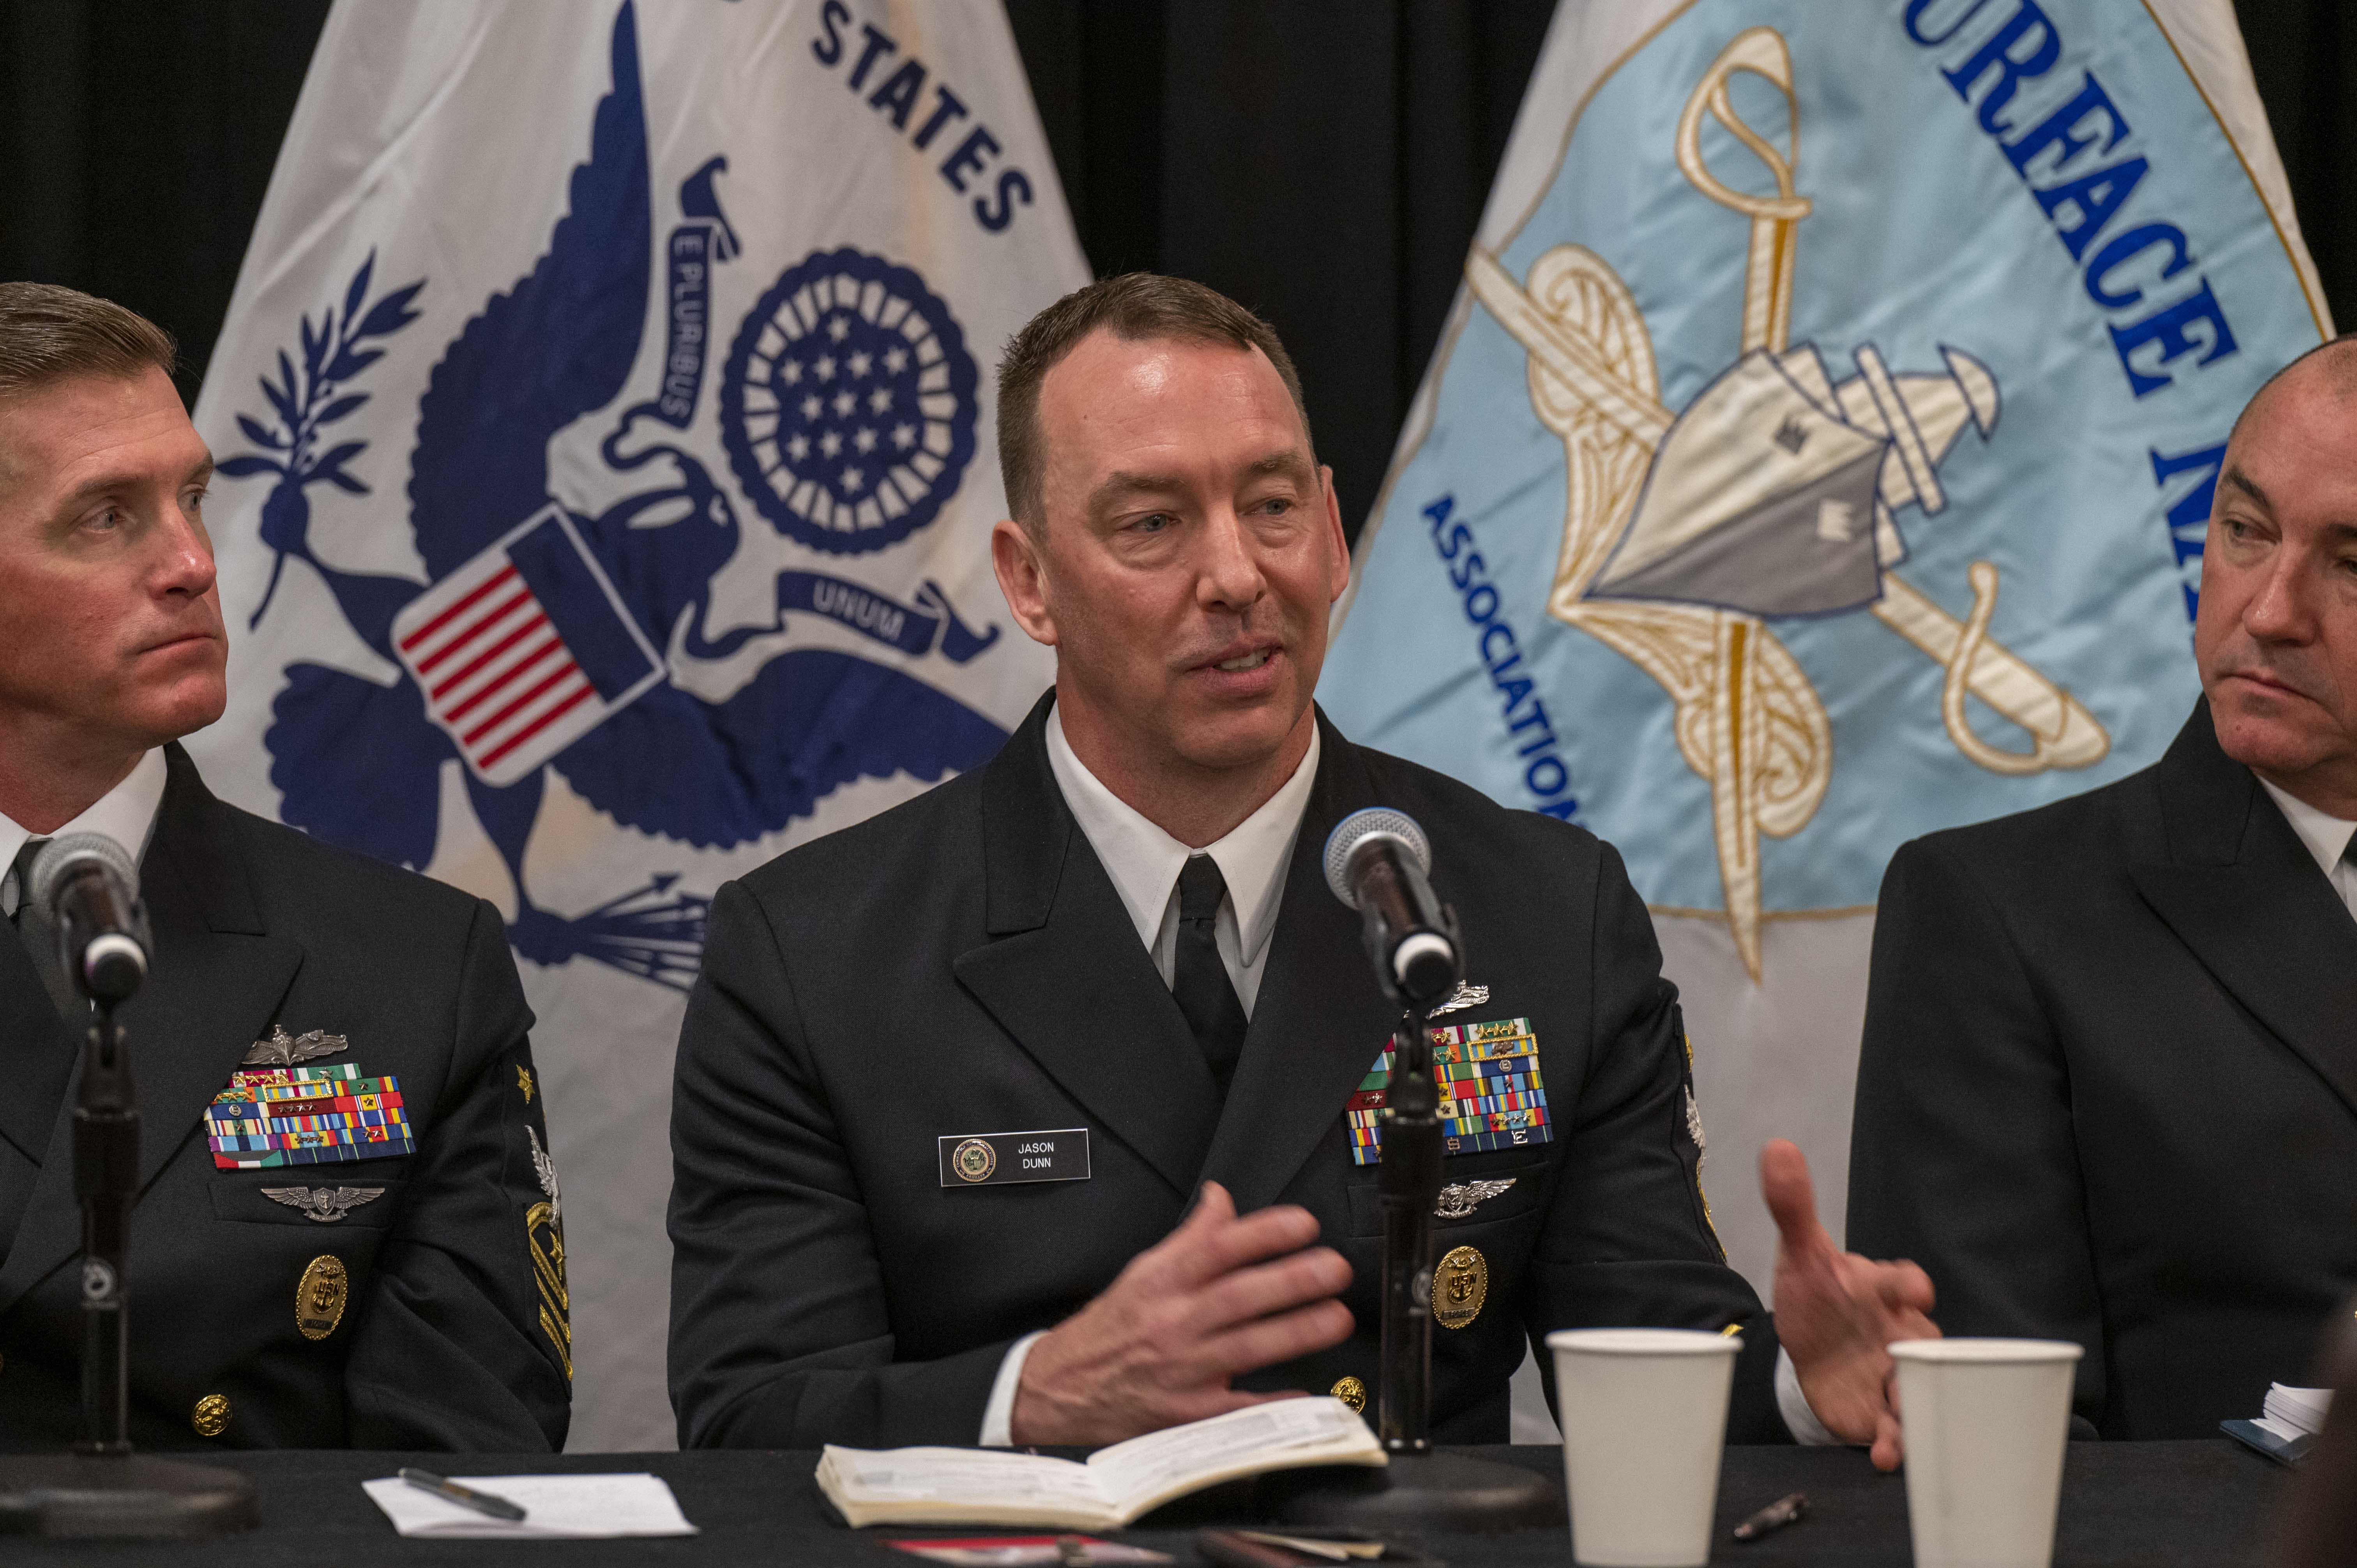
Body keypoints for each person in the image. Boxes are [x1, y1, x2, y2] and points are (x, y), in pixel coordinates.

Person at [669, 273, 1934, 1458]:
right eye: (1153, 523)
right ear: (1030, 580)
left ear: (1332, 534)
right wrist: (1035, 1393)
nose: (1237, 576)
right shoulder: (816, 953)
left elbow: (1641, 1343)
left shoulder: (1542, 910)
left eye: (1272, 507)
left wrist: (1798, 1387)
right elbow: (754, 1418)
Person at [0, 282, 569, 1450]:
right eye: (107, 516)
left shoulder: (416, 969)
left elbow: (461, 1464)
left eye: (192, 499)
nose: (195, 564)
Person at [1849, 338, 2357, 1439]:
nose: (2270, 611)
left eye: (2353, 563)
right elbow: (1988, 1456)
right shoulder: (1995, 915)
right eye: (2245, 530)